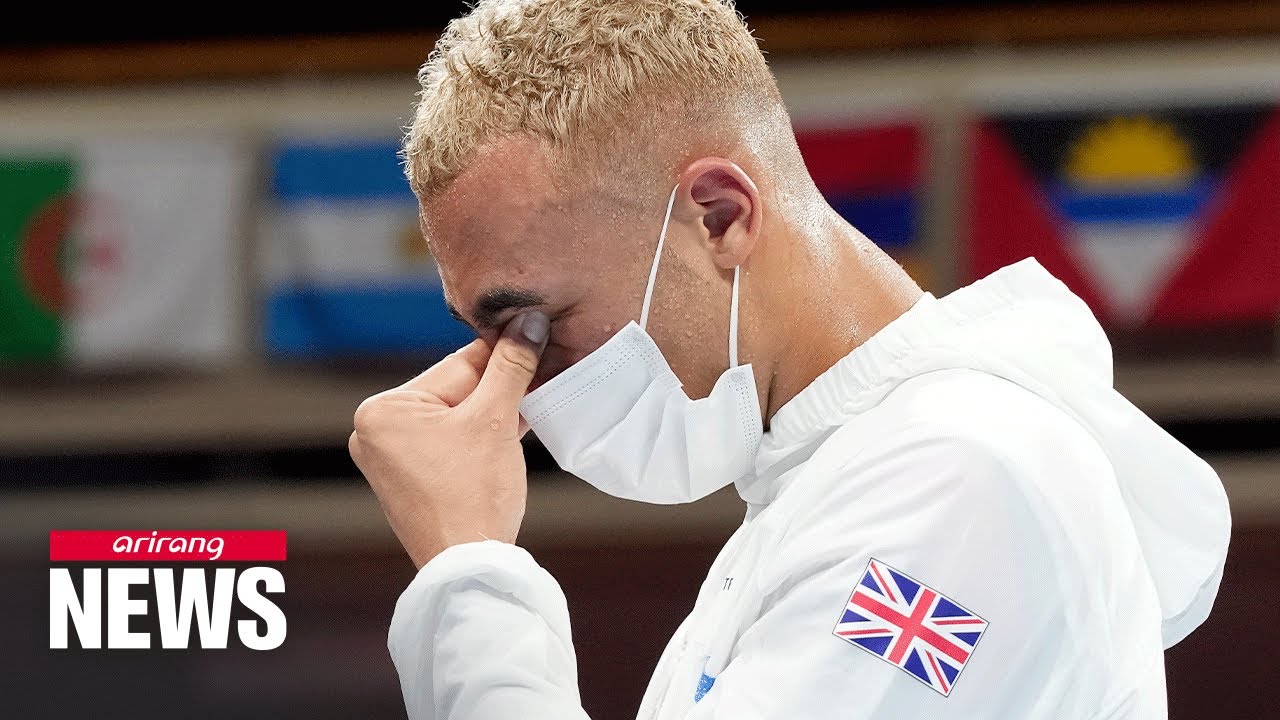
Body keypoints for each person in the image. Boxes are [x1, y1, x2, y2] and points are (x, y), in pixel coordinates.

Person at [346, 1, 1231, 717]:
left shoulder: (958, 478)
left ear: (721, 217)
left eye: (535, 322)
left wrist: (469, 572)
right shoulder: (839, 485)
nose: (518, 386)